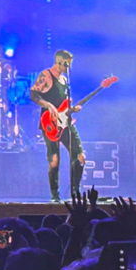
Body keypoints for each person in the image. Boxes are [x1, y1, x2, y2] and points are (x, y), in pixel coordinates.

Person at [31, 50, 85, 202]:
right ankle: (55, 196)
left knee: (80, 157)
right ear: (60, 62)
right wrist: (48, 105)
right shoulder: (46, 76)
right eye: (67, 64)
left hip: (65, 123)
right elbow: (34, 94)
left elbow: (64, 104)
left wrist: (73, 109)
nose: (69, 68)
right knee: (54, 160)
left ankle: (75, 193)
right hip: (50, 123)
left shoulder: (64, 80)